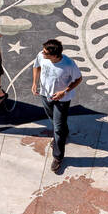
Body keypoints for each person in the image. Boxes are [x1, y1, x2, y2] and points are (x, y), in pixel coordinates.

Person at [31, 38, 82, 173]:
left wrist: (64, 92)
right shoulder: (41, 57)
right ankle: (64, 132)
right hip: (45, 94)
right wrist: (35, 83)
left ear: (54, 55)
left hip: (62, 99)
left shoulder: (68, 64)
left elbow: (78, 79)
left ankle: (58, 157)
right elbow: (36, 66)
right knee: (54, 121)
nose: (42, 54)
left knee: (57, 127)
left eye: (45, 53)